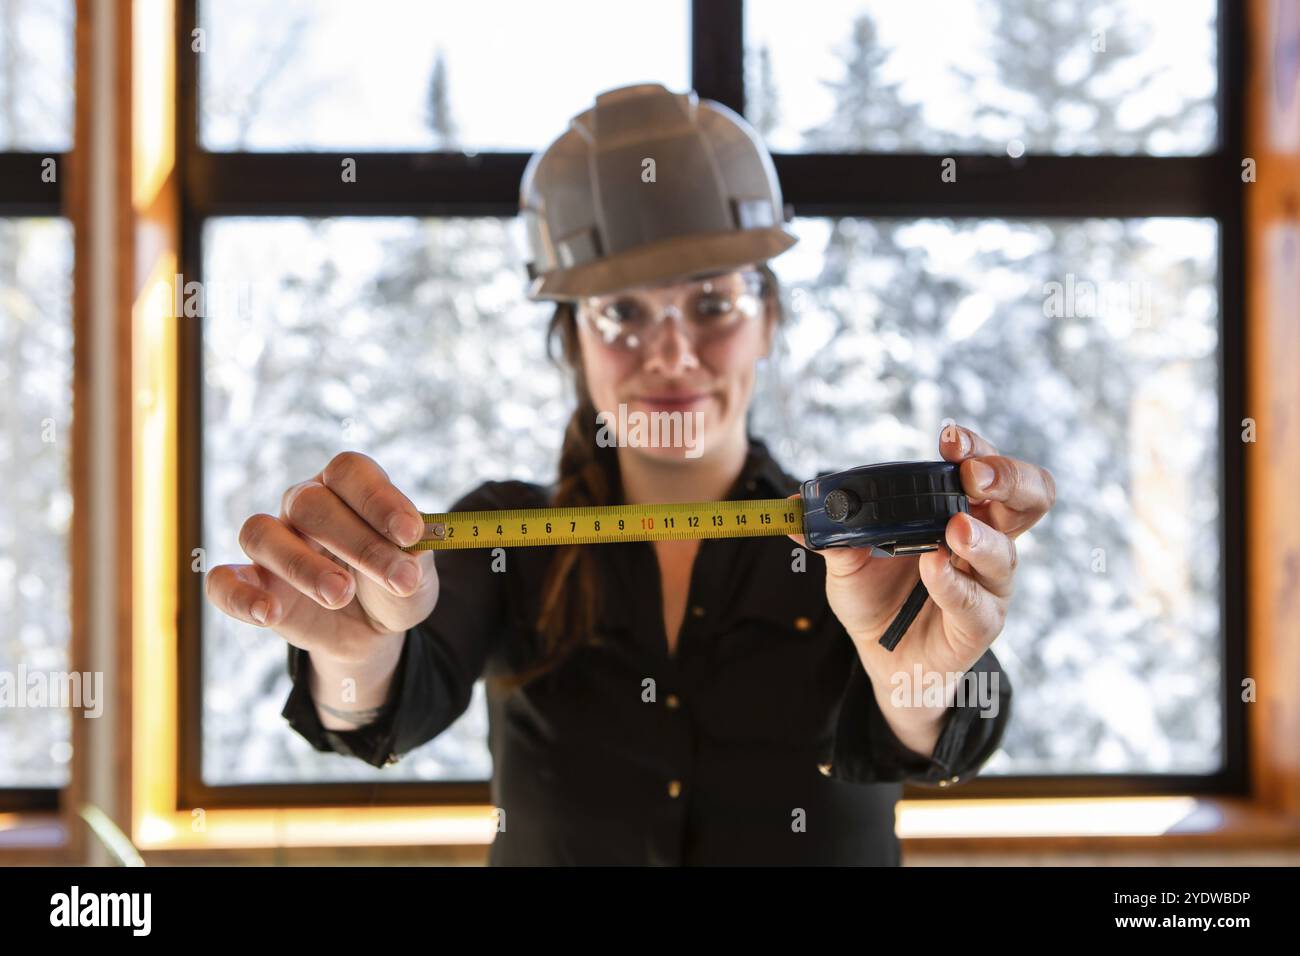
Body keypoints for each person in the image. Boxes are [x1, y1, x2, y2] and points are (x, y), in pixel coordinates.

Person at [204, 83, 1055, 865]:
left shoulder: (860, 544)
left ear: (768, 321)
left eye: (714, 304)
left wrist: (922, 677)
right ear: (572, 343)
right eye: (622, 313)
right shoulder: (506, 537)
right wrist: (356, 662)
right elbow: (383, 703)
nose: (673, 354)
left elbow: (944, 736)